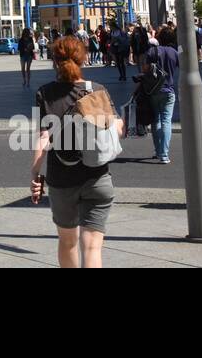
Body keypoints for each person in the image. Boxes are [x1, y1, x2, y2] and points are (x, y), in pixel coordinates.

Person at [29, 34, 123, 269]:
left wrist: (35, 175)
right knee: (92, 247)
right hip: (98, 177)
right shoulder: (97, 90)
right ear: (83, 58)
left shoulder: (45, 93)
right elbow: (118, 129)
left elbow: (43, 138)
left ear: (54, 61)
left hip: (62, 180)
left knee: (68, 242)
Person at [144, 26, 180, 164]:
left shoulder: (152, 51)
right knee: (166, 121)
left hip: (153, 90)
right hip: (168, 90)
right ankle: (164, 155)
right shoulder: (174, 52)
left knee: (156, 120)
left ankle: (158, 150)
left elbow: (145, 69)